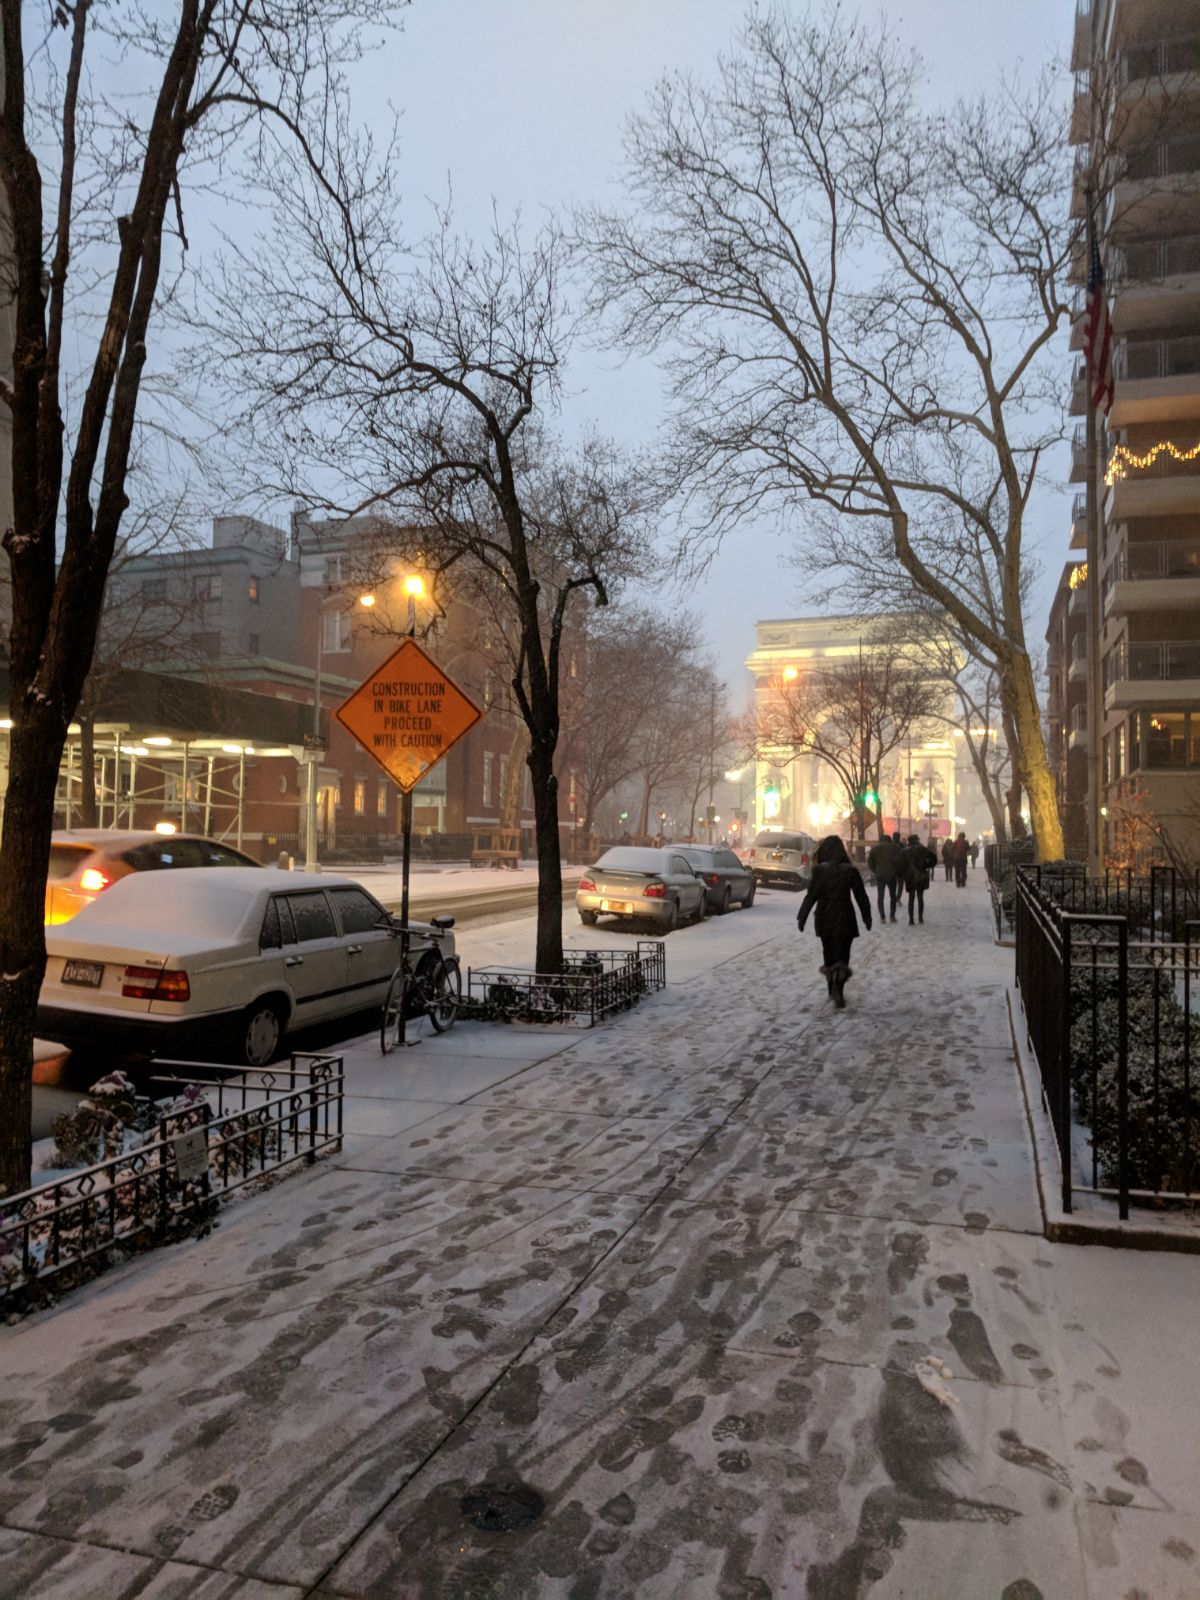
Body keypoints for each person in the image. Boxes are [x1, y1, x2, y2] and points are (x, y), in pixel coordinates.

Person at [796, 835, 872, 1009]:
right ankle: (839, 987)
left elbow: (811, 896)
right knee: (843, 955)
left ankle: (832, 988)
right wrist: (867, 917)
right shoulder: (850, 870)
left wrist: (802, 916)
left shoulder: (820, 871)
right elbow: (861, 896)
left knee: (829, 953)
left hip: (825, 917)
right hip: (846, 916)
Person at [866, 831, 903, 924]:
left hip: (880, 875)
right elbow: (899, 861)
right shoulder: (894, 847)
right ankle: (892, 917)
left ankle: (882, 918)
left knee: (880, 896)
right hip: (892, 875)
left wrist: (876, 870)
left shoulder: (875, 848)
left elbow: (870, 862)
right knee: (892, 896)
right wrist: (896, 871)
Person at [902, 833, 937, 925]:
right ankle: (920, 918)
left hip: (909, 875)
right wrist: (927, 865)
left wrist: (903, 872)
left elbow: (899, 863)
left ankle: (911, 919)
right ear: (917, 840)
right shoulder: (923, 849)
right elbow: (934, 858)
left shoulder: (904, 851)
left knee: (911, 898)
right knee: (920, 897)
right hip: (921, 875)